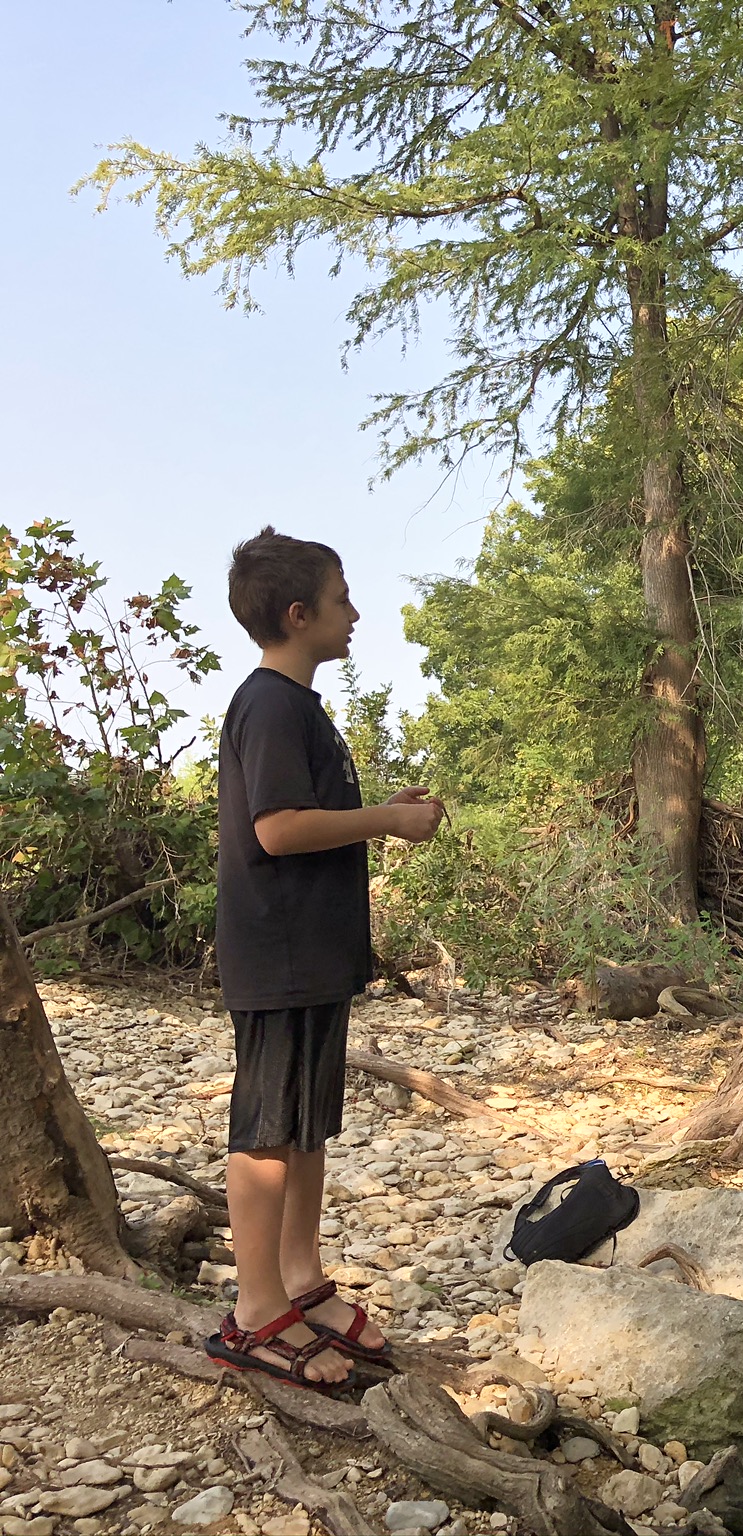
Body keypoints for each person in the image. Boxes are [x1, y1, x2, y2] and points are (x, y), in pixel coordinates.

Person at [205, 528, 445, 1391]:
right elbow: (277, 829)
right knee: (267, 1133)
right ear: (298, 614)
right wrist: (384, 820)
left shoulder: (300, 707)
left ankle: (301, 1282)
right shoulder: (268, 703)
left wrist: (377, 805)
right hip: (275, 955)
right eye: (343, 598)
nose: (356, 614)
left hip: (311, 955)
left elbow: (302, 815)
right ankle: (255, 1308)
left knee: (306, 1126)